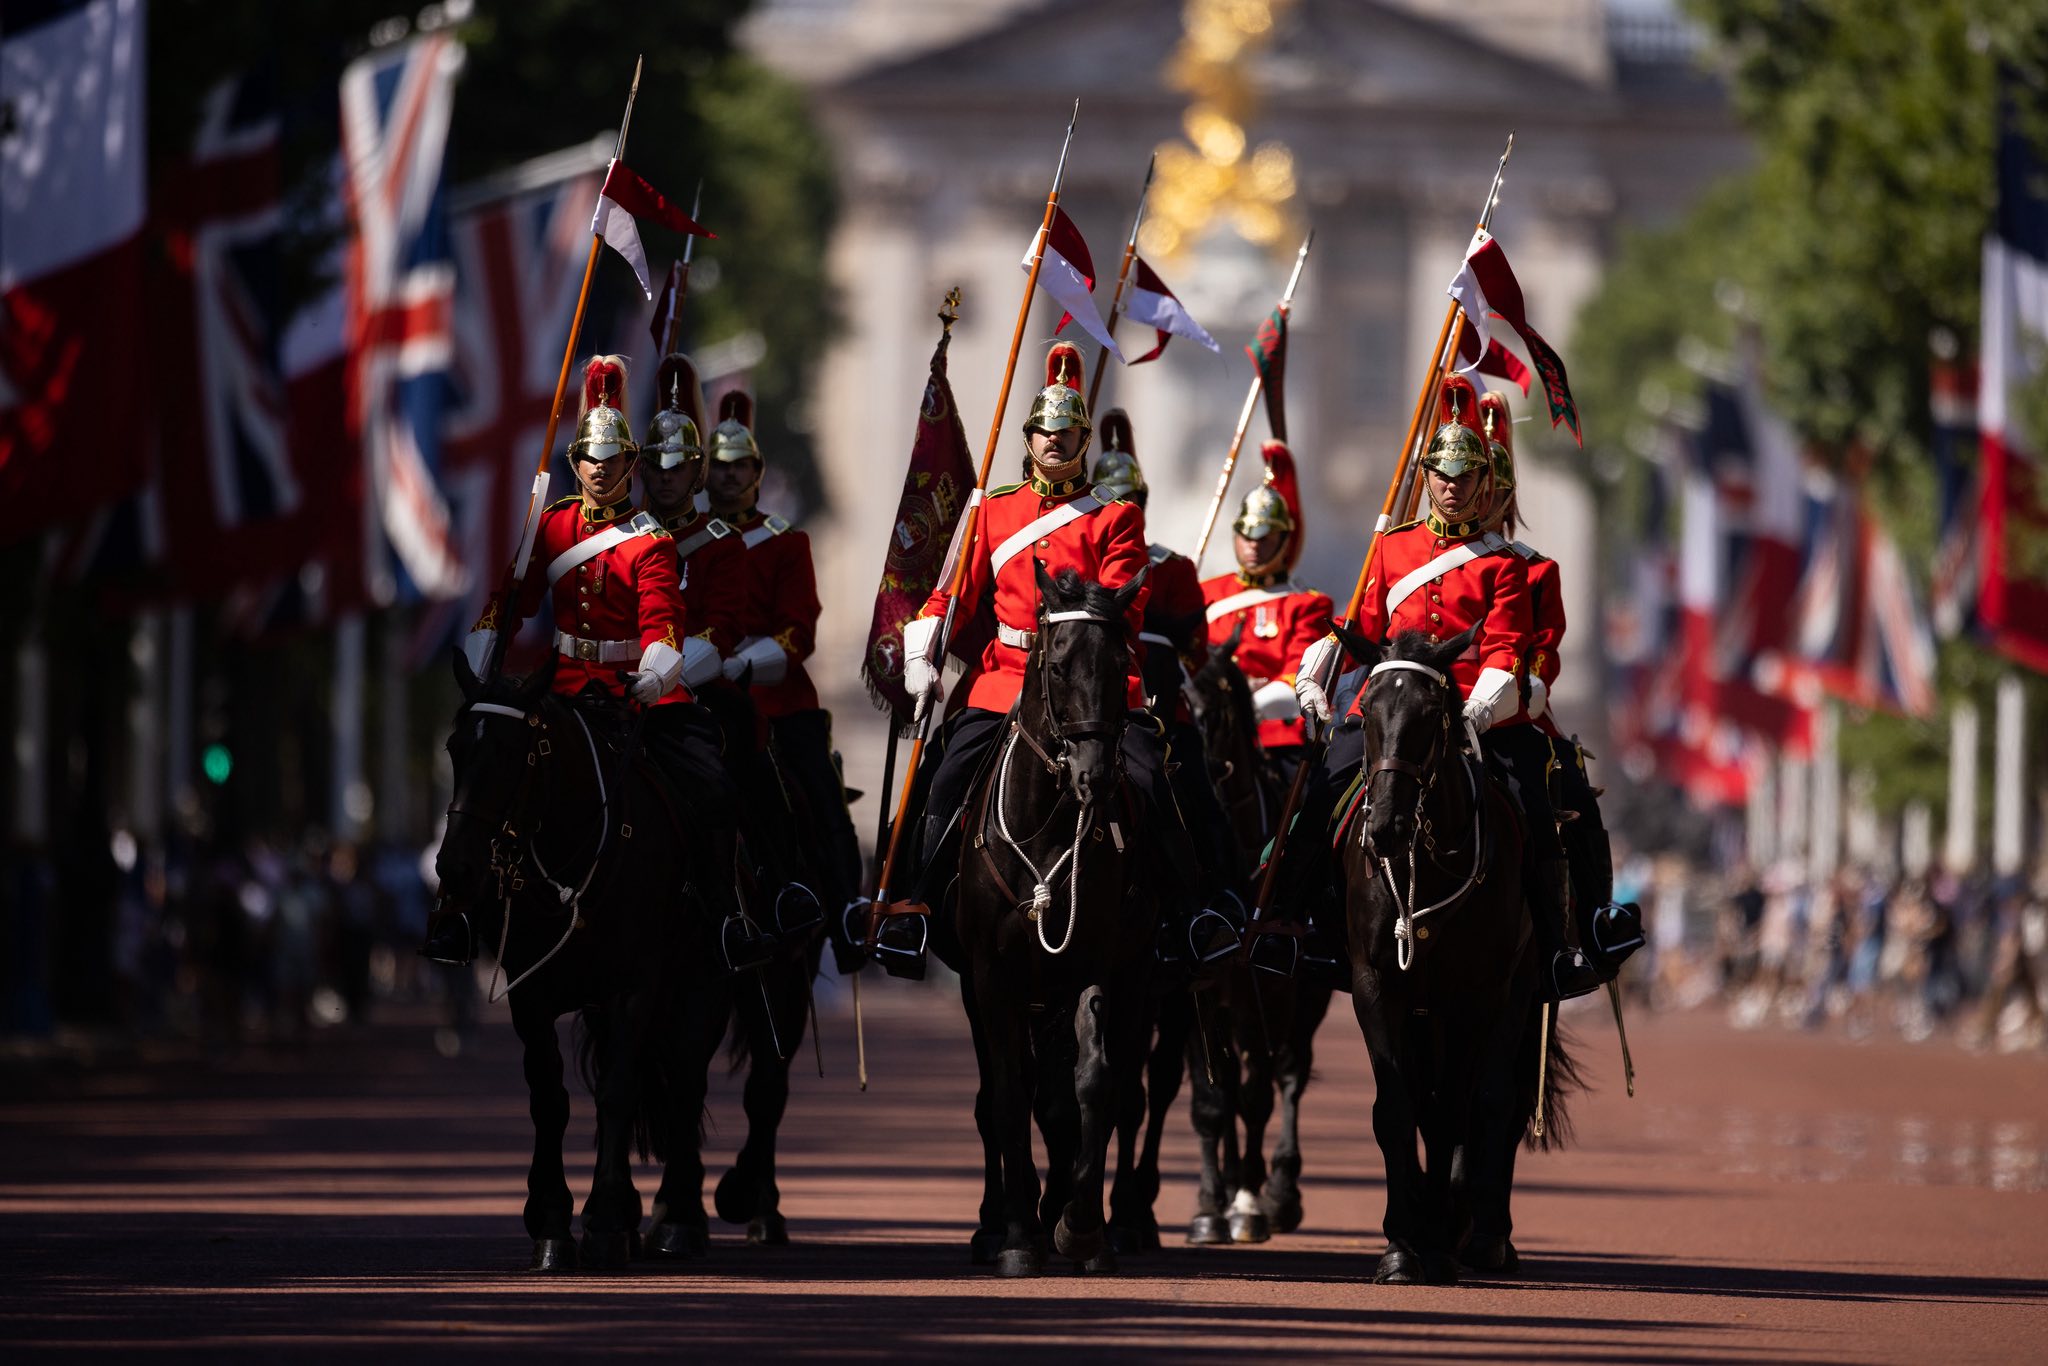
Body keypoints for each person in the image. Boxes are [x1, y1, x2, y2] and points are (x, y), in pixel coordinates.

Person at [873, 343, 1205, 975]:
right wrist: (923, 649)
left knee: (1151, 782)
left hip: (1093, 690)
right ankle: (912, 905)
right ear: (1028, 438)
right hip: (1004, 683)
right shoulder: (994, 510)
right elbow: (952, 594)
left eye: (1068, 433)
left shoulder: (1115, 516)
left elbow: (1124, 614)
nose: (1056, 442)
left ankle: (1186, 917)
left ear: (1083, 440)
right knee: (943, 777)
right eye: (1045, 433)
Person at [1294, 375, 1602, 1001]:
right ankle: (1294, 924)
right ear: (1427, 477)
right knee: (1323, 789)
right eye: (1444, 474)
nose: (1454, 488)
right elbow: (1361, 626)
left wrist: (1481, 709)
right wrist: (1314, 673)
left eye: (1466, 478)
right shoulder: (1392, 546)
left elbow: (1508, 645)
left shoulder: (1507, 565)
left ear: (1484, 484)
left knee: (1538, 805)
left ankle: (1562, 944)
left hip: (1471, 716)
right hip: (1392, 711)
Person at [422, 357, 727, 965]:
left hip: (630, 692)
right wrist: (485, 657)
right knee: (489, 776)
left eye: (610, 461)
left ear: (629, 465)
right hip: (558, 688)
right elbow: (512, 598)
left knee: (710, 786)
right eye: (588, 459)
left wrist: (657, 670)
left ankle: (724, 917)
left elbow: (663, 621)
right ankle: (459, 914)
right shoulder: (554, 524)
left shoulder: (651, 540)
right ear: (575, 463)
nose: (597, 470)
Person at [1477, 388, 1643, 980]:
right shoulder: (1413, 554)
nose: (1482, 498)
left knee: (1568, 796)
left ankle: (1585, 932)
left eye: (1493, 488)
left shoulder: (1533, 568)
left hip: (1509, 715)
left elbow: (1543, 649)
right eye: (1473, 485)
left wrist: (1533, 687)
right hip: (1425, 711)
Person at [699, 384, 865, 967]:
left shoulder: (785, 543)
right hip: (696, 698)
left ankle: (848, 916)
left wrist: (748, 660)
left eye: (737, 466)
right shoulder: (679, 540)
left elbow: (800, 630)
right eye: (717, 466)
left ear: (757, 471)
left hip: (775, 700)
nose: (726, 476)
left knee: (821, 799)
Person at [1091, 410, 1243, 963]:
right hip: (1087, 707)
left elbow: (1196, 648)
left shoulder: (1173, 568)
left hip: (1157, 711)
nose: (1122, 511)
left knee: (1199, 801)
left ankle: (1212, 905)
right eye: (1113, 501)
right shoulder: (1077, 561)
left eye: (1130, 501)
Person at [1200, 441, 1335, 767]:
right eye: (1246, 536)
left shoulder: (1307, 604)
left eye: (1264, 538)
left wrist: (1243, 707)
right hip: (1205, 723)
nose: (1253, 546)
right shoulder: (1207, 591)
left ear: (1284, 539)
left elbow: (1295, 675)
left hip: (1271, 734)